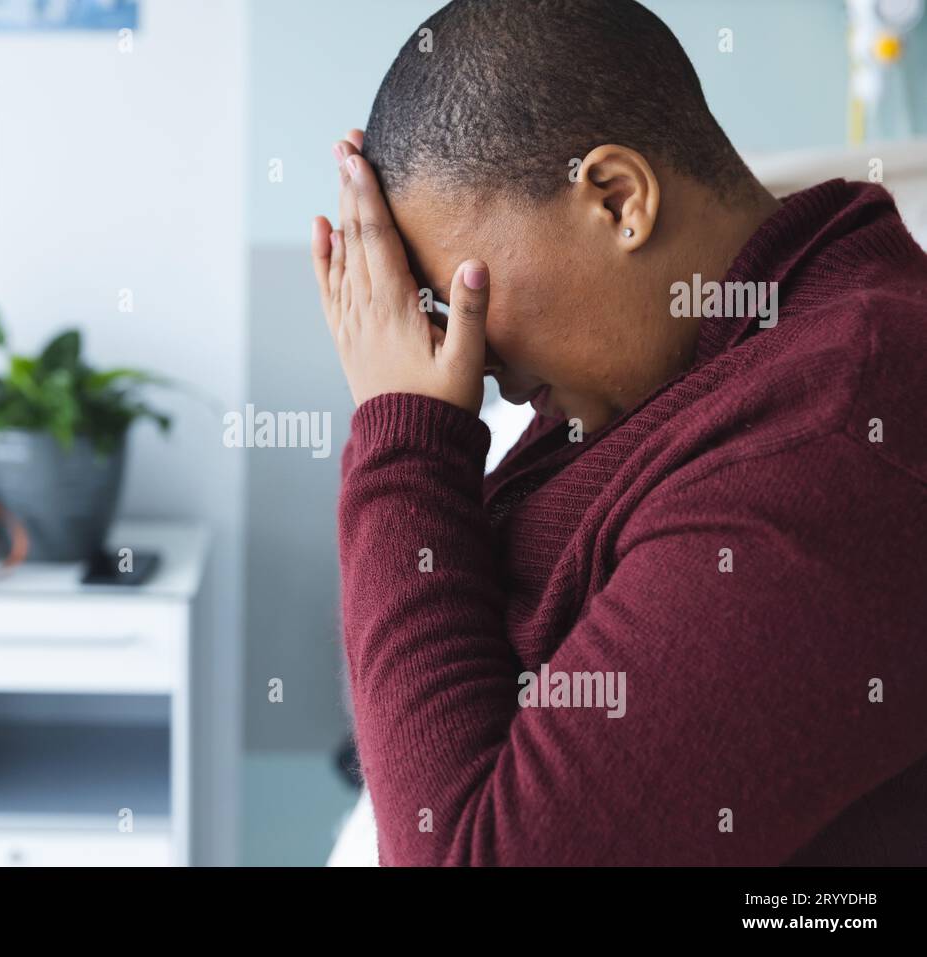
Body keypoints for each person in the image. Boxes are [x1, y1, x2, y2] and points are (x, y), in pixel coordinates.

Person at [311, 0, 927, 865]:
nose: (468, 357)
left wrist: (402, 440)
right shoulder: (672, 366)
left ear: (617, 200)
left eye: (463, 298)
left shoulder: (836, 430)